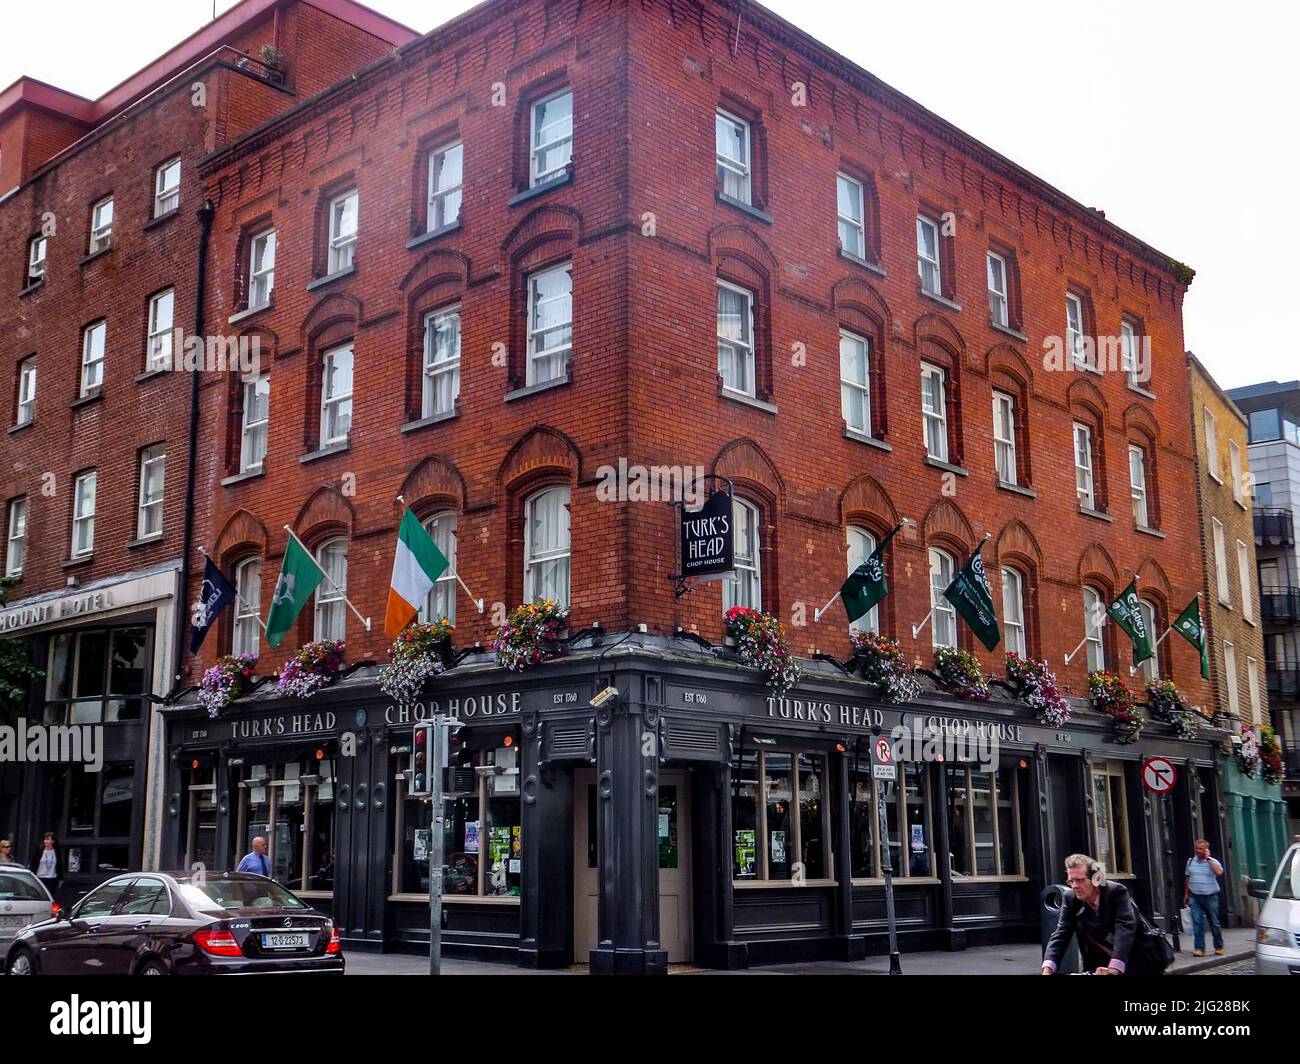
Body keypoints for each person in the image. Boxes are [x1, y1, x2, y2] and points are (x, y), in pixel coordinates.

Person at [1041, 853, 1136, 975]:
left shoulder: (1116, 892)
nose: (1074, 886)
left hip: (1131, 959)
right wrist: (1048, 966)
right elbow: (1061, 933)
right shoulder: (1070, 898)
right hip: (1097, 964)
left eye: (1079, 880)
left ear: (1096, 879)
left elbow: (1124, 929)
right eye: (1071, 881)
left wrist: (1114, 968)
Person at [1183, 838, 1225, 957]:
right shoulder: (1190, 861)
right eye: (1197, 848)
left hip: (1210, 896)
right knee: (1197, 923)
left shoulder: (1213, 862)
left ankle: (1219, 946)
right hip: (1195, 896)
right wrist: (1186, 894)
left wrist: (1209, 859)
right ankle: (1199, 948)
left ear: (1206, 850)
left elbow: (1219, 873)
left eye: (1201, 849)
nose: (1198, 851)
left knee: (1214, 922)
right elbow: (1187, 878)